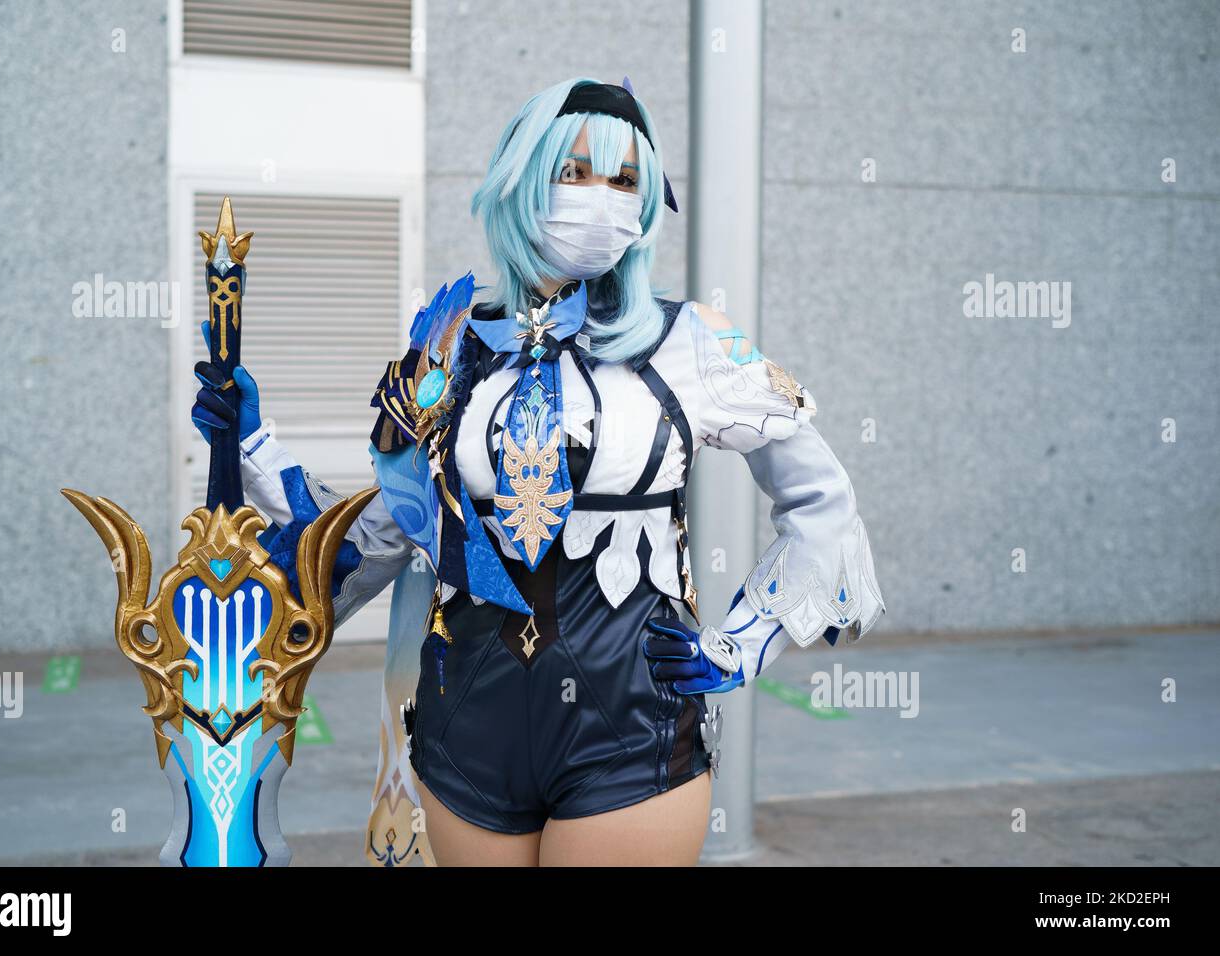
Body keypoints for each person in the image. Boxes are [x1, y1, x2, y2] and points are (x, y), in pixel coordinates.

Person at [191, 76, 884, 866]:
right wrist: (250, 444)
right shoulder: (446, 344)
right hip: (464, 727)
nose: (603, 198)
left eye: (627, 180)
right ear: (521, 179)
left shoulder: (693, 343)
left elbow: (821, 499)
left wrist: (743, 638)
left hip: (628, 727)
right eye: (576, 171)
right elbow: (391, 528)